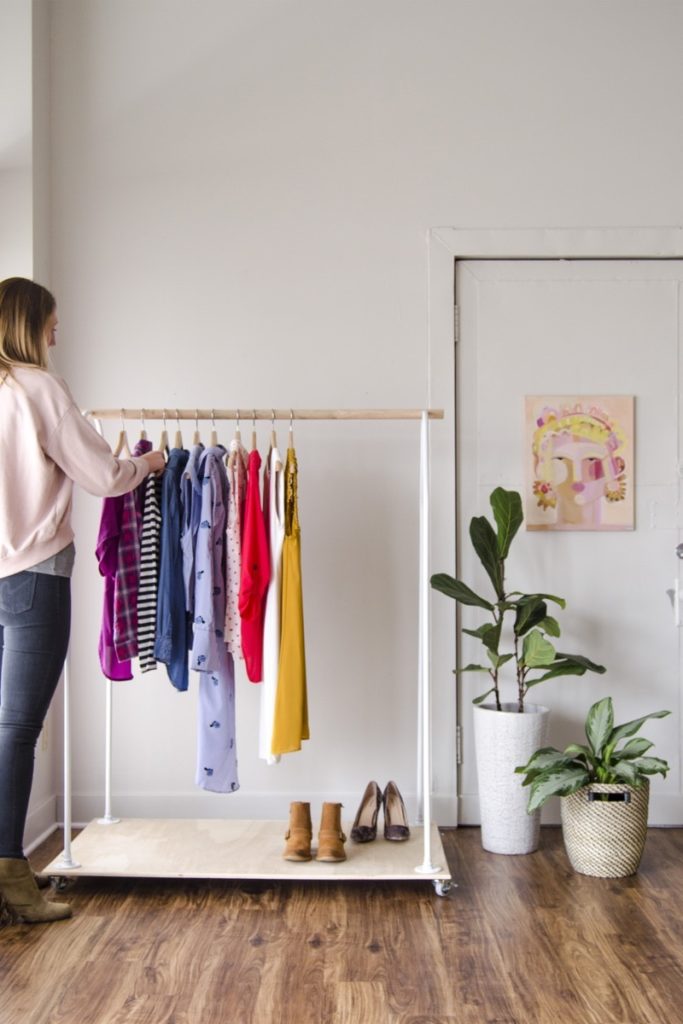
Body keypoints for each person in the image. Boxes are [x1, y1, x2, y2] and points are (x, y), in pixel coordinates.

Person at [0, 277, 165, 923]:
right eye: (52, 322)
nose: (57, 332)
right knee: (16, 729)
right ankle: (11, 882)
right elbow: (104, 476)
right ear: (29, 322)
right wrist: (148, 466)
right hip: (36, 572)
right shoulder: (40, 388)